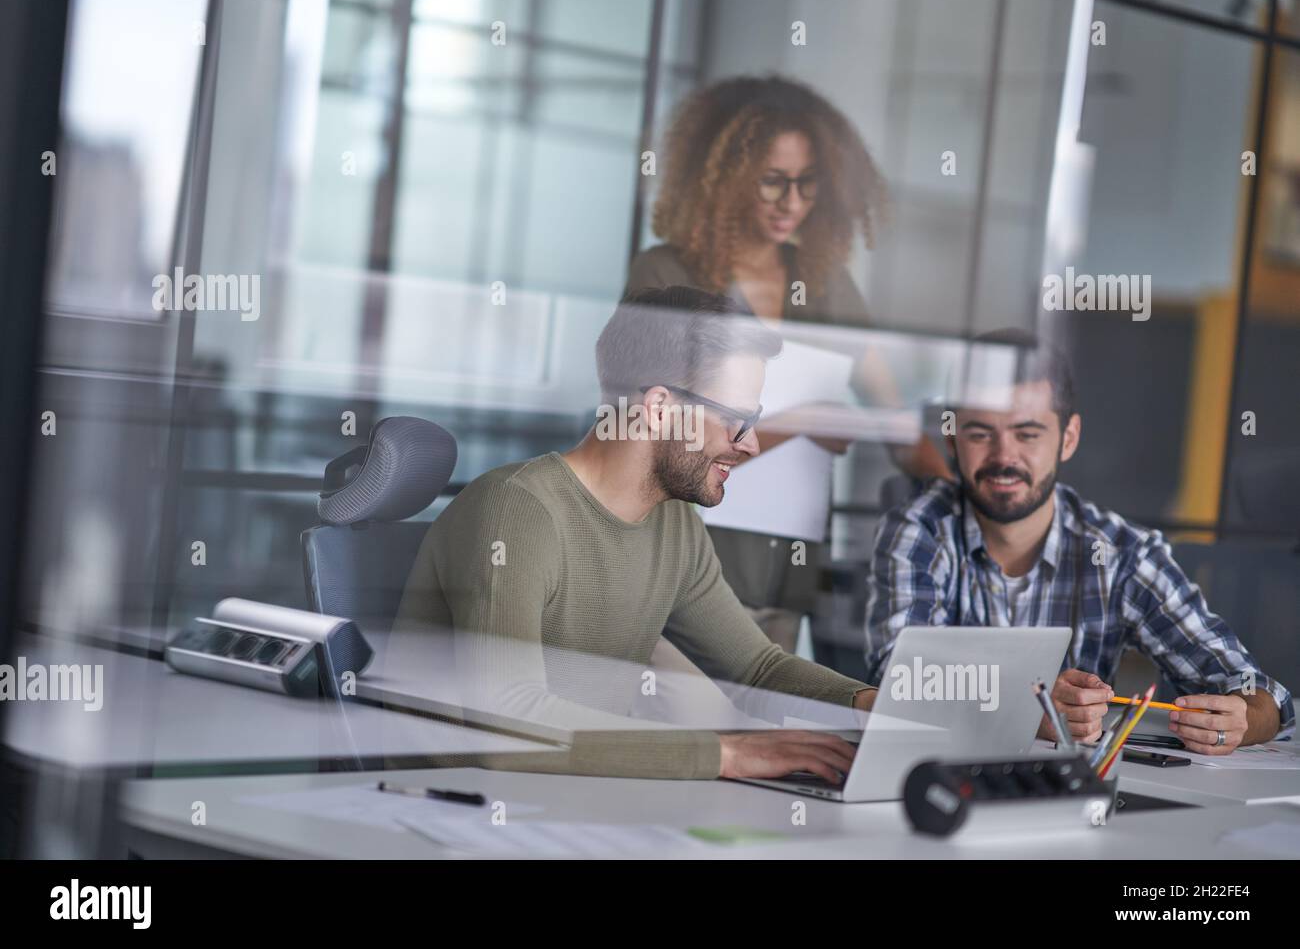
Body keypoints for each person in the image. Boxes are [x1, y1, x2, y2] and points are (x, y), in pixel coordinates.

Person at [394, 286, 878, 782]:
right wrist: (724, 756)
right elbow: (505, 718)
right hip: (455, 811)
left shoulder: (674, 524)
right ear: (661, 408)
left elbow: (757, 669)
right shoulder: (516, 511)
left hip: (566, 802)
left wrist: (871, 705)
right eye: (736, 420)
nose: (750, 444)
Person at [625, 74, 949, 653]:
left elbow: (896, 422)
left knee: (764, 724)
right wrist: (804, 419)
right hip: (685, 562)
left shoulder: (824, 283)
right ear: (724, 180)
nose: (791, 203)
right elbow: (653, 437)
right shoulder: (666, 273)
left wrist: (974, 492)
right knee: (692, 729)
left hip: (788, 572)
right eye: (772, 182)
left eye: (806, 184)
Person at [864, 328, 1293, 752]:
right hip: (937, 779)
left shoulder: (1121, 553)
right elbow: (898, 680)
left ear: (1067, 439)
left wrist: (1246, 718)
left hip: (1071, 792)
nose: (1003, 457)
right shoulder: (919, 529)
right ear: (952, 440)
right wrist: (1025, 707)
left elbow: (1252, 687)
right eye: (980, 434)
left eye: (1027, 433)